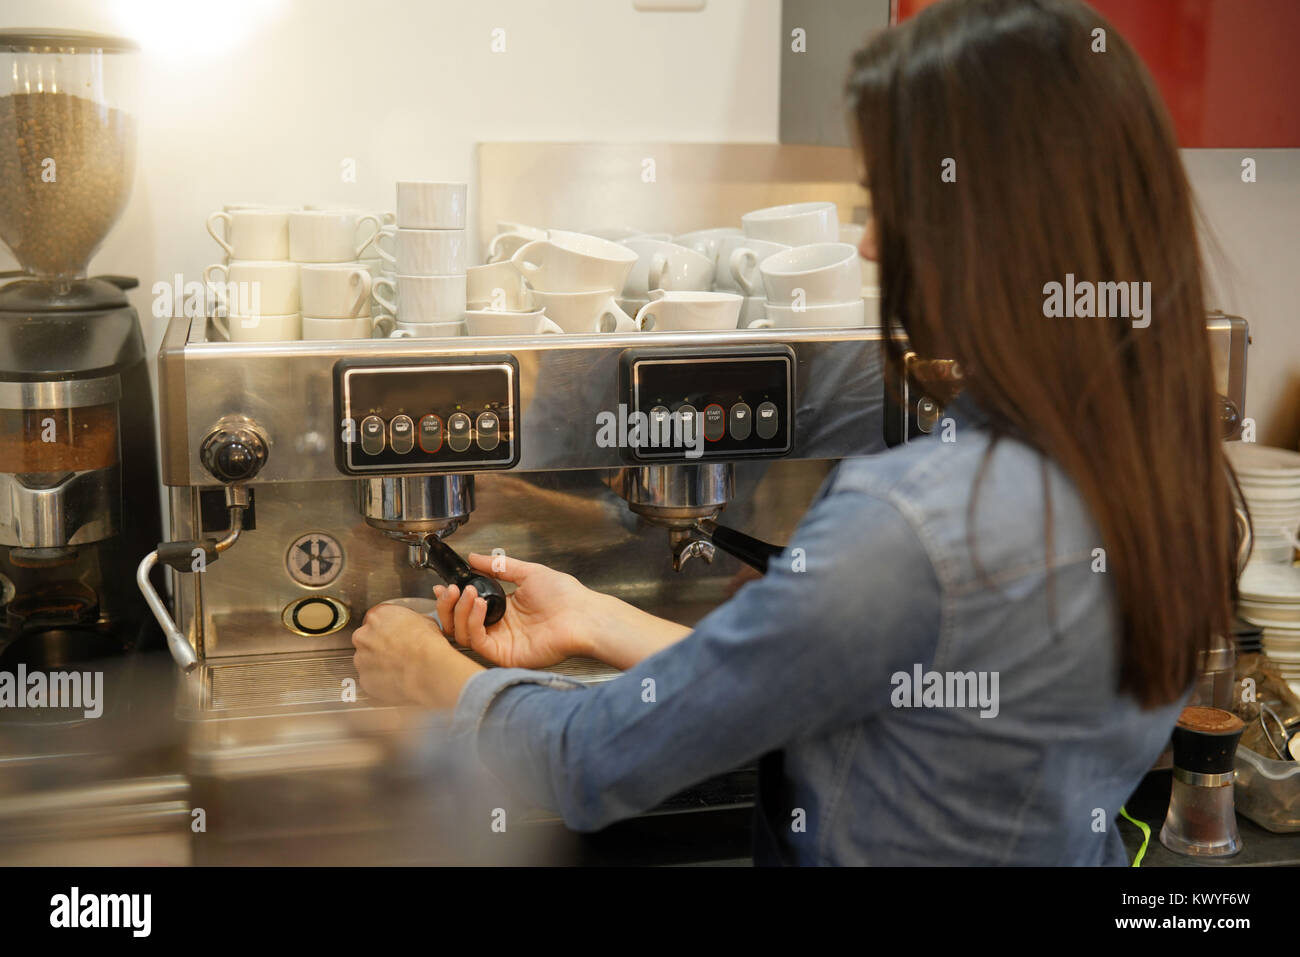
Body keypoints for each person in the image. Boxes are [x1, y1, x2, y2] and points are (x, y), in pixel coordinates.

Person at [353, 0, 1240, 865]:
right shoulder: (1163, 474)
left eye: (887, 204)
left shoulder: (909, 520)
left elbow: (589, 764)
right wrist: (595, 614)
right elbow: (850, 683)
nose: (865, 247)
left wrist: (438, 680)